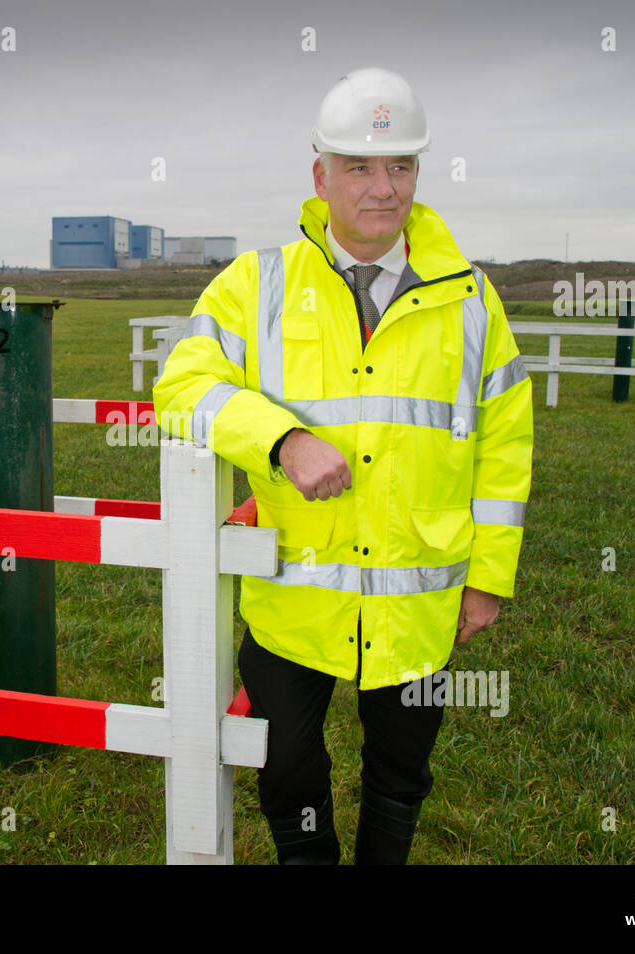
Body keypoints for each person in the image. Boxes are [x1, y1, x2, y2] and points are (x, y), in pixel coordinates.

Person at [153, 67, 533, 864]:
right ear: (320, 174)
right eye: (360, 167)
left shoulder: (471, 302)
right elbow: (181, 386)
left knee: (402, 770)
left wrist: (490, 574)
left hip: (418, 599)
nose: (383, 188)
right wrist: (283, 440)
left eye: (400, 167)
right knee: (288, 764)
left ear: (419, 174)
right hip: (295, 598)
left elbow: (505, 441)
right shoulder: (254, 286)